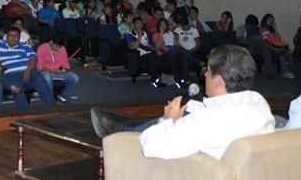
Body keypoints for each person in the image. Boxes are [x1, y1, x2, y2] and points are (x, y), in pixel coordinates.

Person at [91, 45, 275, 159]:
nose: (204, 75)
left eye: (208, 71)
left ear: (218, 80)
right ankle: (124, 131)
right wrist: (192, 108)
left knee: (162, 125)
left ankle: (121, 137)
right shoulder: (259, 104)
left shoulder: (206, 123)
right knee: (187, 109)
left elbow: (152, 147)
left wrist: (167, 120)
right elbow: (221, 112)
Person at [0, 27, 55, 107]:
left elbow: (33, 59)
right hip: (11, 74)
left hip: (28, 71)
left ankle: (52, 108)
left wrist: (28, 71)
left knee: (41, 82)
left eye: (16, 36)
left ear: (19, 38)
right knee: (17, 91)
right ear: (6, 36)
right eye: (10, 35)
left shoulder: (25, 46)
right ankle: (25, 114)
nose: (13, 38)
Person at [36, 33, 79, 103]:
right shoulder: (42, 48)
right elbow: (39, 67)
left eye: (60, 47)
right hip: (44, 72)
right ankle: (50, 100)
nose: (58, 48)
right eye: (56, 46)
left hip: (58, 73)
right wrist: (53, 71)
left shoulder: (62, 49)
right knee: (47, 77)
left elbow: (66, 65)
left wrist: (64, 70)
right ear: (51, 42)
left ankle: (63, 98)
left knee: (74, 77)